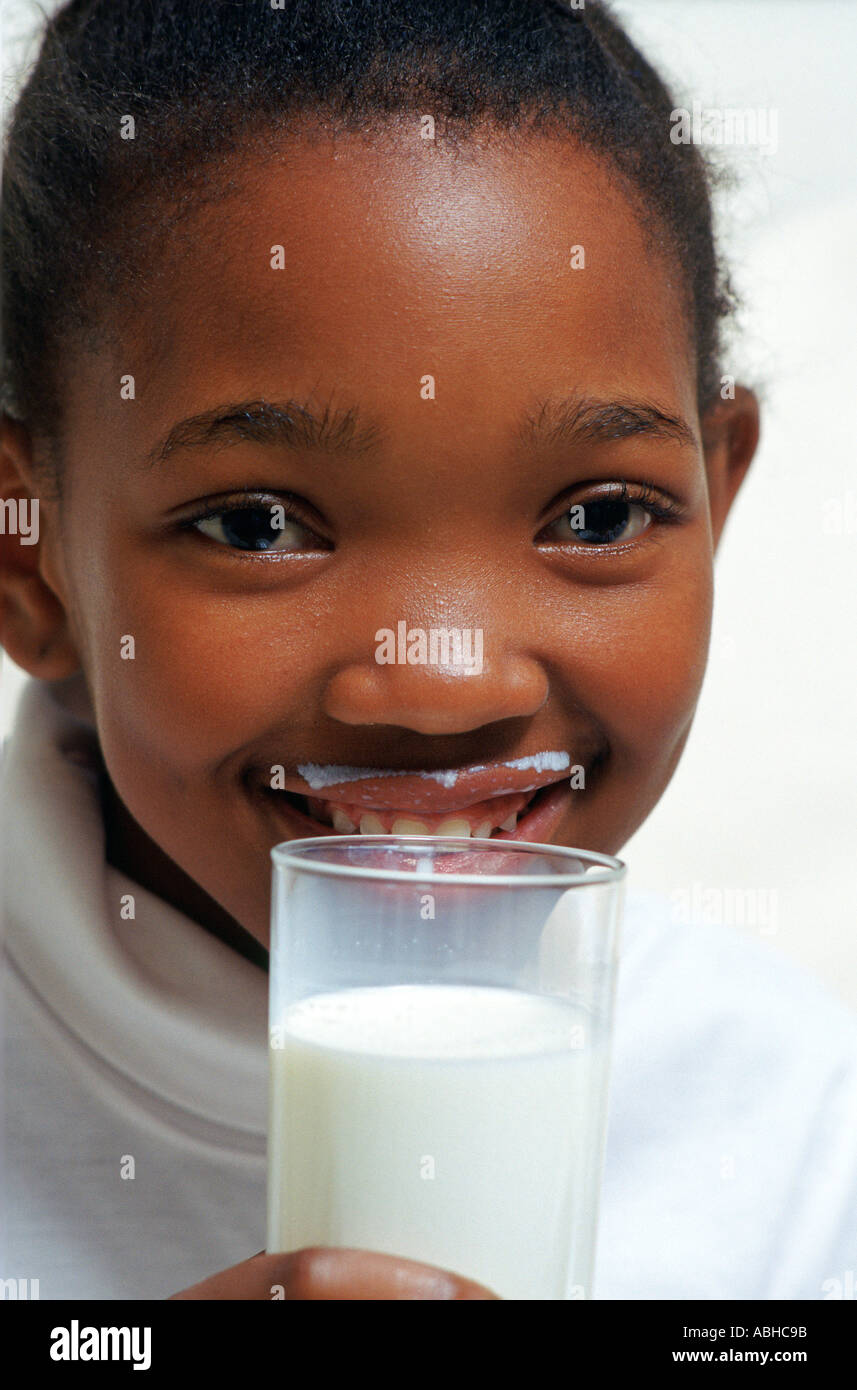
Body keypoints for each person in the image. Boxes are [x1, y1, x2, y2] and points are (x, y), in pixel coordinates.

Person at [1, 0, 855, 1301]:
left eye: (598, 515)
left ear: (715, 494)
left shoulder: (801, 1131)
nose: (449, 681)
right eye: (259, 524)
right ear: (31, 557)